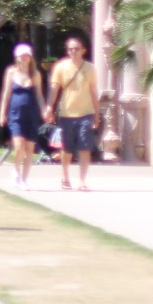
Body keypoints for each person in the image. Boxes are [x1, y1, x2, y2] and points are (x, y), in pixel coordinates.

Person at [45, 35, 99, 191]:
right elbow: (54, 89)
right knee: (67, 149)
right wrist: (50, 107)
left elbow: (93, 92)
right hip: (67, 114)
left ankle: (82, 181)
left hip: (85, 113)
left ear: (83, 50)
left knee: (84, 147)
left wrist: (96, 114)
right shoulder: (60, 67)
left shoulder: (90, 68)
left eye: (76, 49)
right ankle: (65, 176)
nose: (73, 52)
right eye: (70, 49)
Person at [0, 43, 47, 190]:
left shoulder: (35, 74)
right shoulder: (11, 72)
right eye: (22, 56)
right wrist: (2, 113)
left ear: (30, 58)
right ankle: (16, 173)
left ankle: (24, 180)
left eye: (27, 56)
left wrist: (44, 110)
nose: (25, 58)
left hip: (31, 115)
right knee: (19, 147)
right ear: (17, 57)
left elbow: (39, 95)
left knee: (29, 149)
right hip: (15, 115)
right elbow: (6, 94)